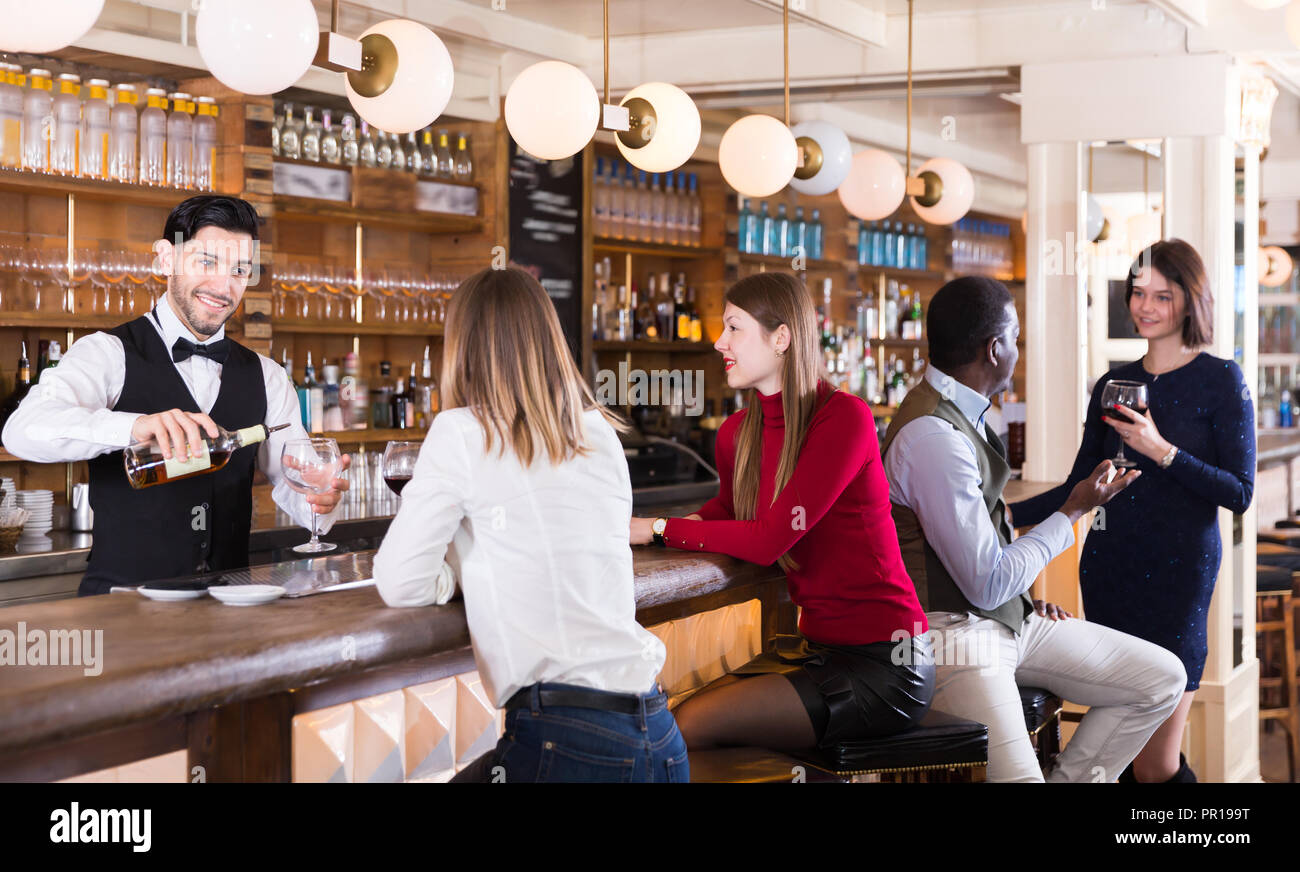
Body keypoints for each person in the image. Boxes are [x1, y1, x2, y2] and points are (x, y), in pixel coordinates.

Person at [373, 267, 686, 783]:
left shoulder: (460, 431)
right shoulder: (599, 432)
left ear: (462, 347)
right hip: (659, 738)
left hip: (568, 742)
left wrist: (456, 575)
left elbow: (400, 581)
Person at [881, 275, 1188, 783]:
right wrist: (1072, 510)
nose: (1018, 352)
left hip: (1004, 622)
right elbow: (985, 582)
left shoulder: (966, 413)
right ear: (994, 348)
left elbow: (986, 559)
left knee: (1161, 679)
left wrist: (1022, 596)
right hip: (954, 637)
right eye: (1016, 339)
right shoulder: (933, 436)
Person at [630, 272, 934, 754]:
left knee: (686, 723)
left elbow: (772, 539)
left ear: (782, 338)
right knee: (669, 708)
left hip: (887, 663)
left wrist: (660, 528)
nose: (717, 342)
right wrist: (631, 531)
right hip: (816, 651)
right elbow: (725, 513)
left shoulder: (844, 419)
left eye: (733, 328)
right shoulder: (736, 433)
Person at [2, 195, 348, 596]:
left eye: (240, 270)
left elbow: (302, 490)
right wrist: (135, 425)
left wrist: (322, 499)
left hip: (229, 608)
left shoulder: (268, 377)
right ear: (166, 259)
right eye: (207, 262)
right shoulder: (107, 353)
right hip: (122, 609)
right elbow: (22, 431)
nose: (223, 286)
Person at [1008, 241, 1254, 783]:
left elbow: (1239, 492)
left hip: (1178, 576)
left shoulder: (1221, 380)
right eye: (1138, 293)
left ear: (1190, 302)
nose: (1145, 306)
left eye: (1162, 296)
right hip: (1109, 568)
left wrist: (1159, 448)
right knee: (1116, 743)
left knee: (1156, 762)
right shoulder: (1111, 384)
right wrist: (1002, 514)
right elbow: (1079, 486)